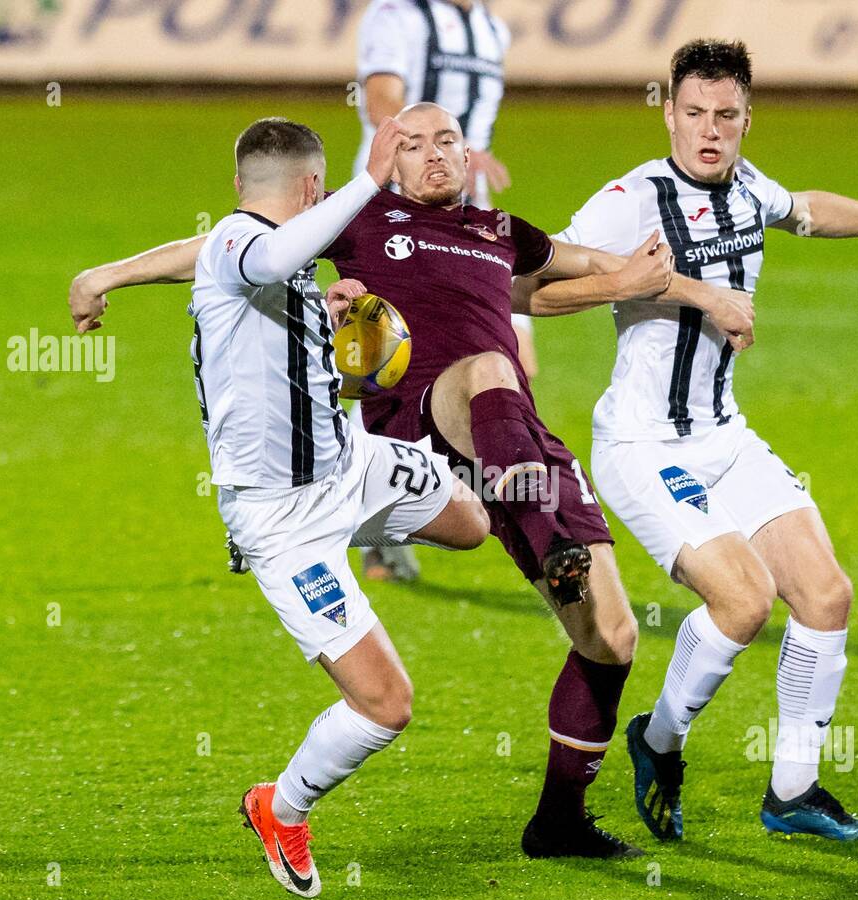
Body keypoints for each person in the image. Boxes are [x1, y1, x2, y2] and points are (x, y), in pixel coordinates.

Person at [69, 102, 757, 858]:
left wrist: (698, 293)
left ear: (469, 156)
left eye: (448, 141)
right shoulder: (363, 218)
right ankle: (522, 531)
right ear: (389, 162)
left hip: (513, 439)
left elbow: (570, 274)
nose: (434, 154)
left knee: (613, 638)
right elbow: (225, 247)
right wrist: (111, 273)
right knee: (492, 371)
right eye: (414, 143)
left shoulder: (499, 235)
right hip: (424, 420)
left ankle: (558, 821)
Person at [518, 38, 858, 843]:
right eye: (693, 113)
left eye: (726, 116)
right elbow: (529, 284)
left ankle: (792, 792)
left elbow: (805, 210)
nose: (709, 130)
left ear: (746, 121)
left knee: (826, 595)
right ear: (668, 112)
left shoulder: (744, 186)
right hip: (643, 447)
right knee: (742, 600)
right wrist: (679, 289)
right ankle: (657, 742)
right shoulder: (632, 198)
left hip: (724, 439)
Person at [70, 116, 490, 898]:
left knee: (473, 523)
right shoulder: (246, 245)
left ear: (241, 183)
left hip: (349, 465)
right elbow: (258, 252)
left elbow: (257, 264)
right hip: (284, 521)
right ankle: (282, 805)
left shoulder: (256, 254)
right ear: (311, 188)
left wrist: (108, 275)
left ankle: (429, 482)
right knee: (386, 705)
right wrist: (371, 178)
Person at [352, 0, 532, 583]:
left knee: (512, 362)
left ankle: (450, 507)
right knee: (386, 360)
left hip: (469, 217)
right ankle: (375, 524)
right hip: (395, 215)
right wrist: (432, 147)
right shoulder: (398, 18)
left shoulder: (493, 29)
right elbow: (380, 98)